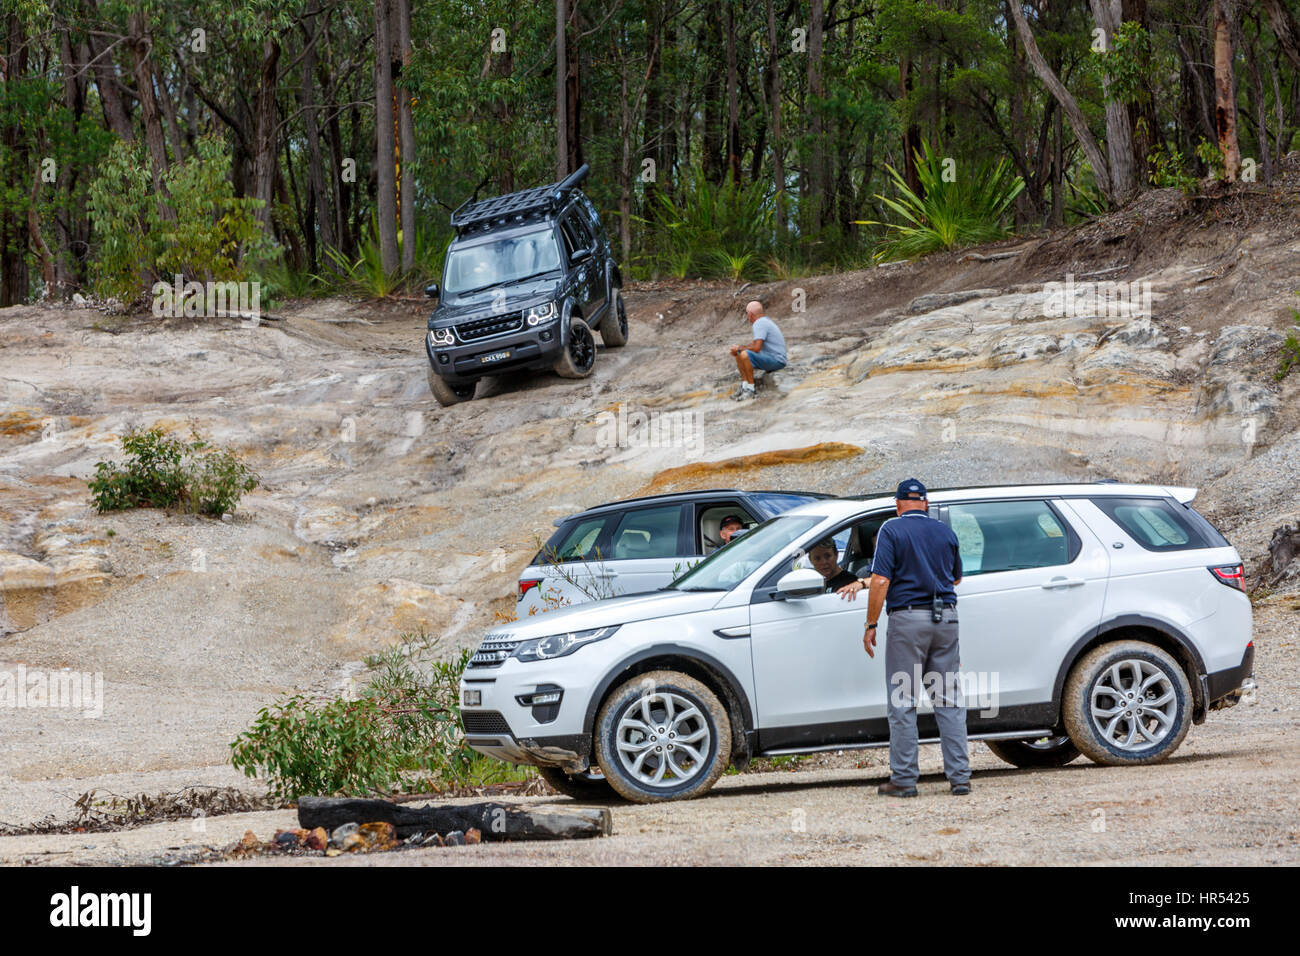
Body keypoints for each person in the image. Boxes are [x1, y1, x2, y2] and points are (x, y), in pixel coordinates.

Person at [839, 479, 969, 798]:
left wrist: (871, 623)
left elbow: (882, 580)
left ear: (898, 505)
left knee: (903, 700)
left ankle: (905, 780)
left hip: (908, 621)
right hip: (946, 619)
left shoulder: (891, 529)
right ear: (925, 503)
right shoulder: (945, 531)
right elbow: (956, 577)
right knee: (948, 700)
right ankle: (960, 778)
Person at [727, 300, 787, 401]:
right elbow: (756, 345)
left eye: (747, 313)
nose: (747, 316)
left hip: (777, 360)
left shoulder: (759, 323)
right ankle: (745, 386)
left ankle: (751, 390)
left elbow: (757, 348)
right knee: (739, 353)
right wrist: (739, 349)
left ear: (750, 314)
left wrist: (740, 348)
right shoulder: (764, 321)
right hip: (774, 358)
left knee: (744, 353)